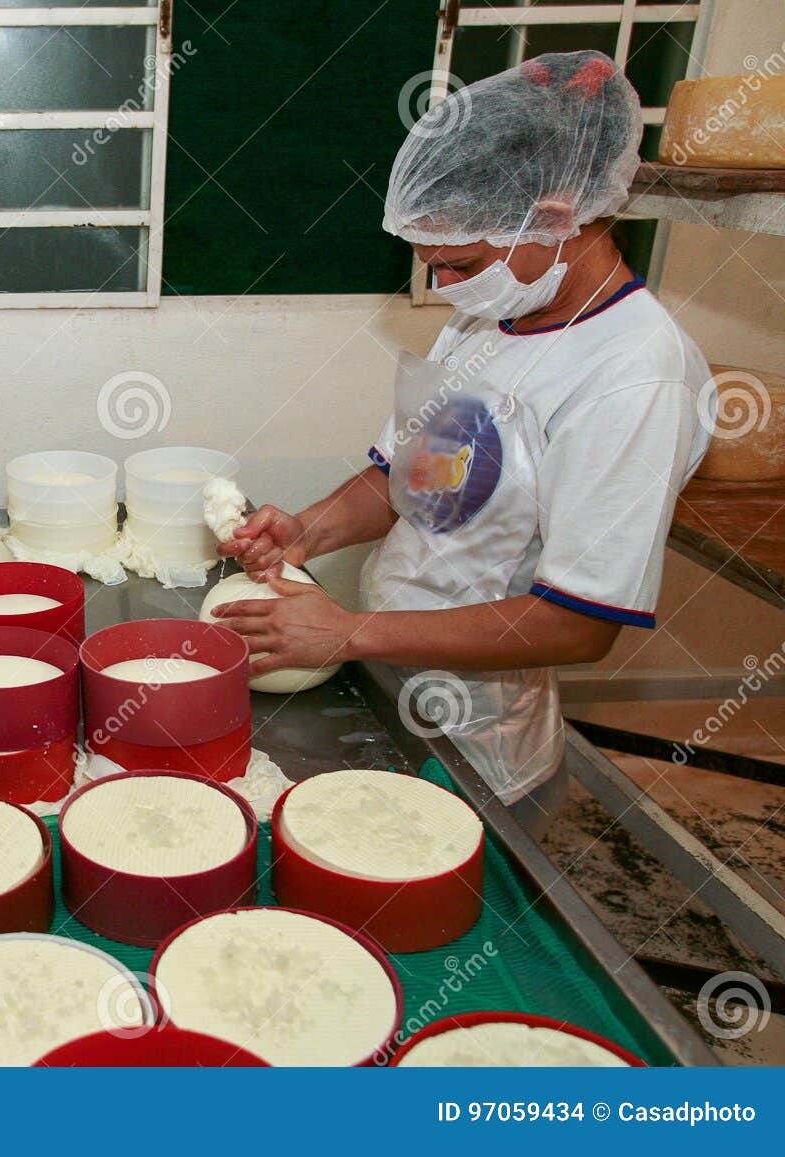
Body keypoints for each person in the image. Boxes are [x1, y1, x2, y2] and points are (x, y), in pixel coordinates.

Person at [213, 52, 714, 838]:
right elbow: (414, 477)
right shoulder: (488, 317)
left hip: (482, 747)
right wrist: (308, 528)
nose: (445, 287)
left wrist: (348, 632)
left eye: (461, 263)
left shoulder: (636, 374)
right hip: (391, 682)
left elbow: (578, 623)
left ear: (557, 216)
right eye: (432, 264)